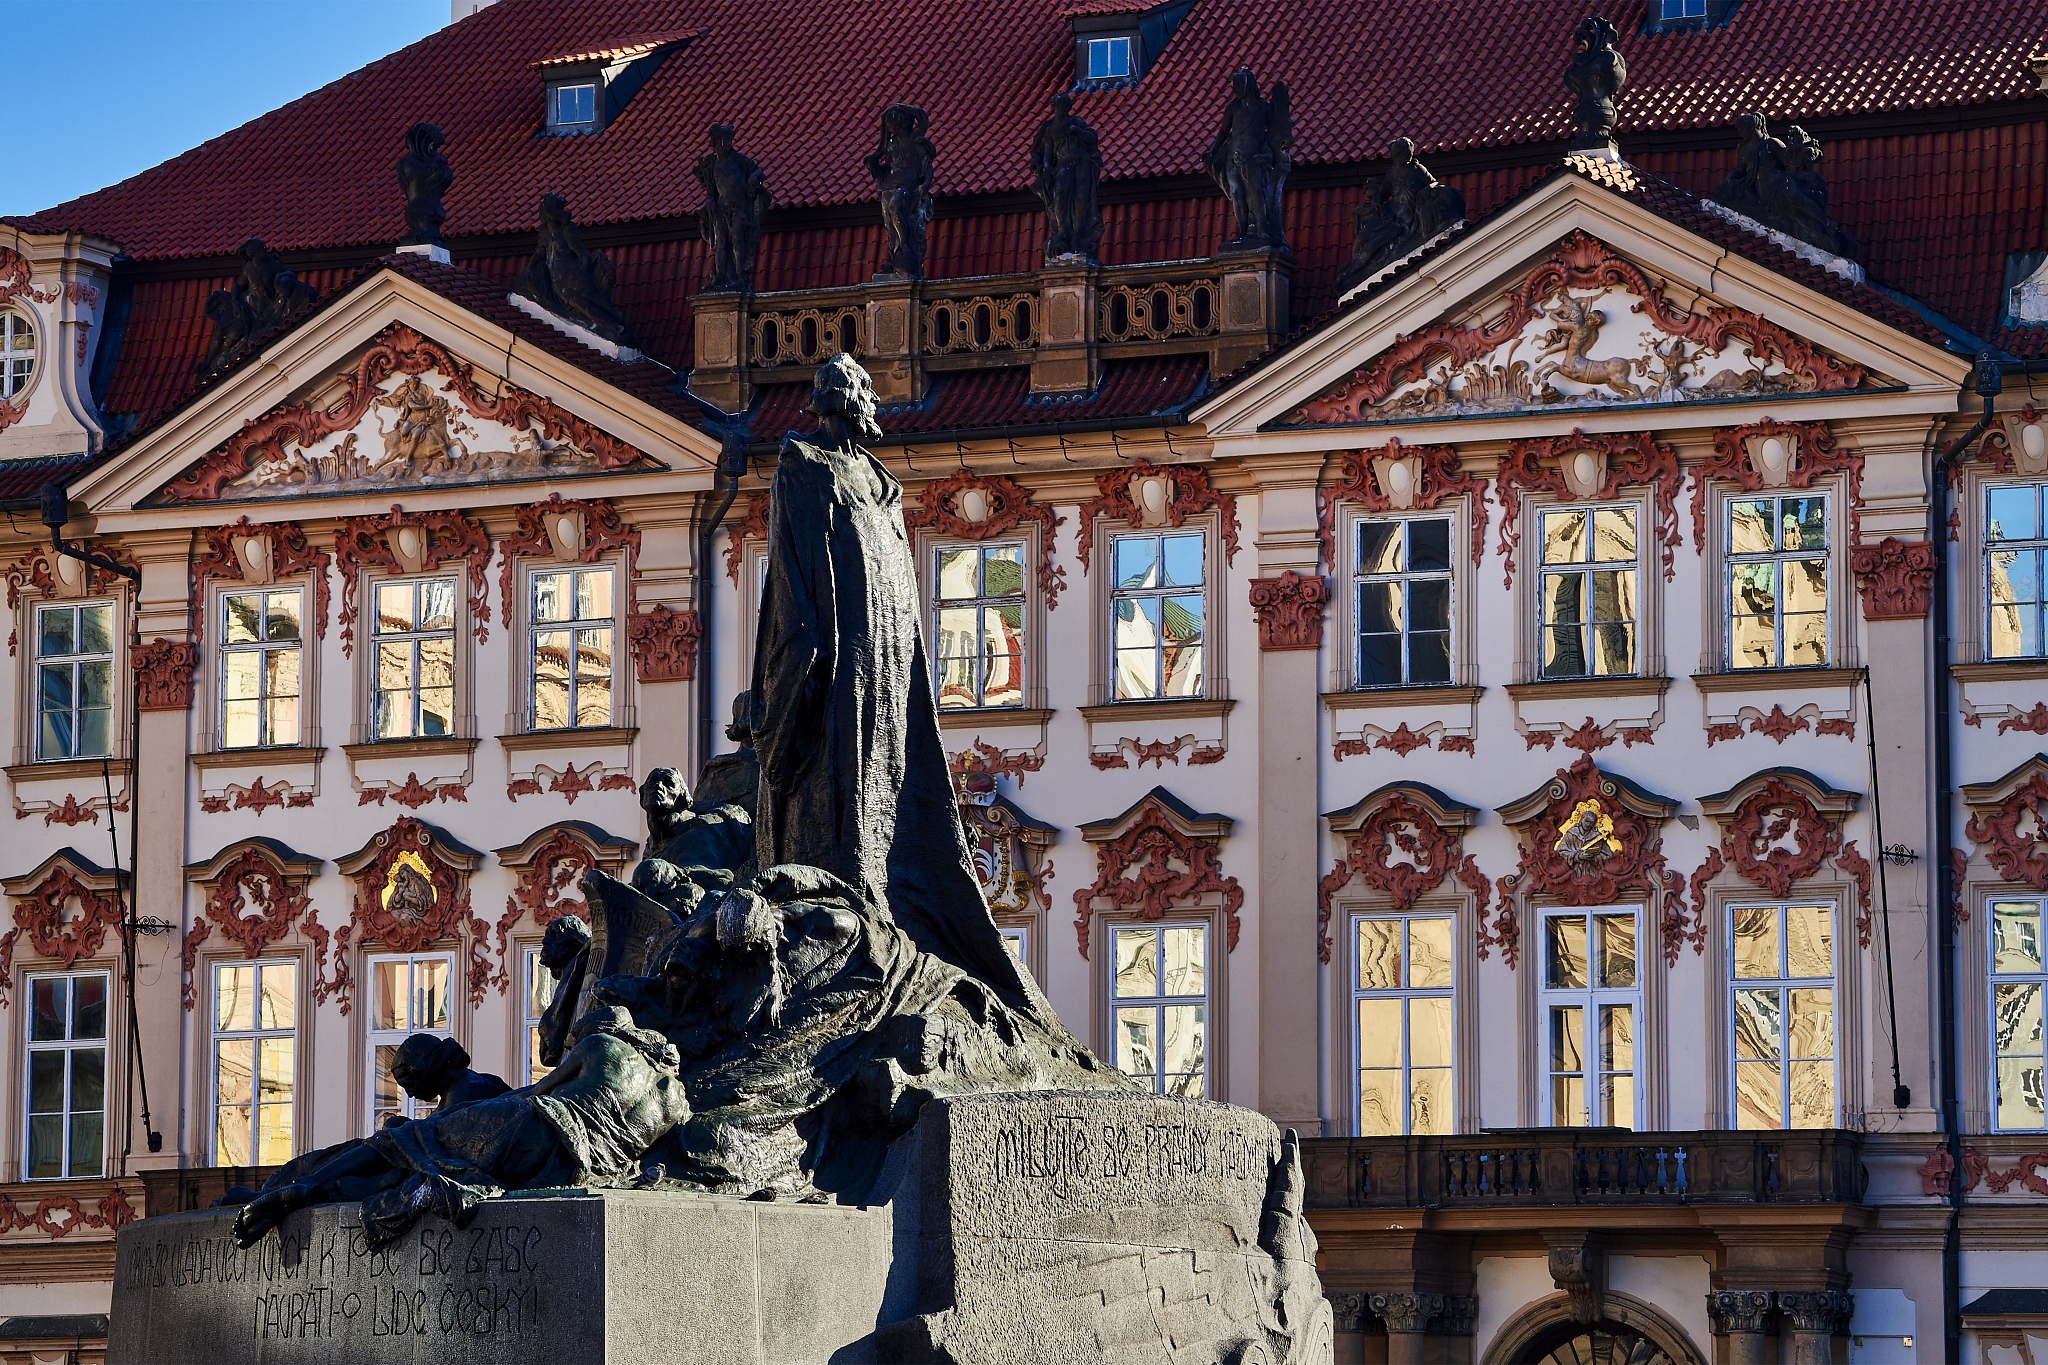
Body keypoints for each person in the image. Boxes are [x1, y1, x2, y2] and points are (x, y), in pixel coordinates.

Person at [232, 1007, 688, 1247]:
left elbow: (538, 1092)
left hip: (541, 1128)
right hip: (578, 1165)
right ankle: (300, 1186)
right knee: (409, 1147)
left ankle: (299, 1189)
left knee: (399, 1140)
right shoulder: (675, 1099)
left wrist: (475, 1116)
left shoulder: (599, 1045)